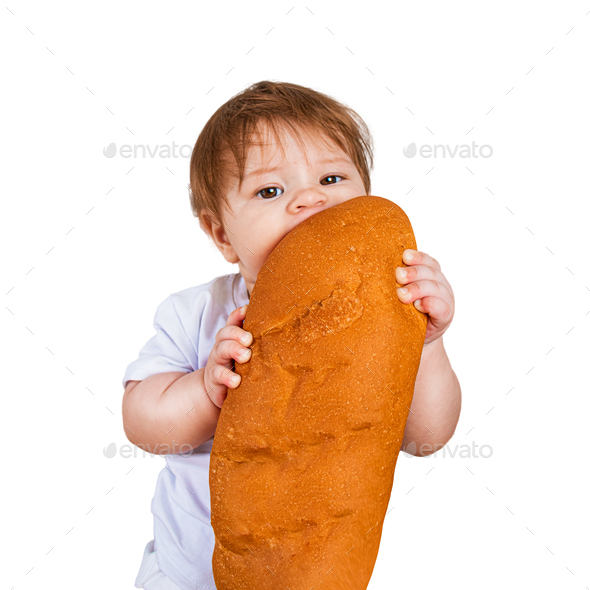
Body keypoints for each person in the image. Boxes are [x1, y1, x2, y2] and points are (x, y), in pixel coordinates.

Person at [122, 80, 461, 590]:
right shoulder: (197, 313)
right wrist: (205, 391)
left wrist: (426, 344)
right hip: (184, 575)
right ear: (222, 235)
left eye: (331, 177)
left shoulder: (385, 312)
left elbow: (426, 438)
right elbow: (142, 424)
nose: (310, 199)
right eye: (270, 190)